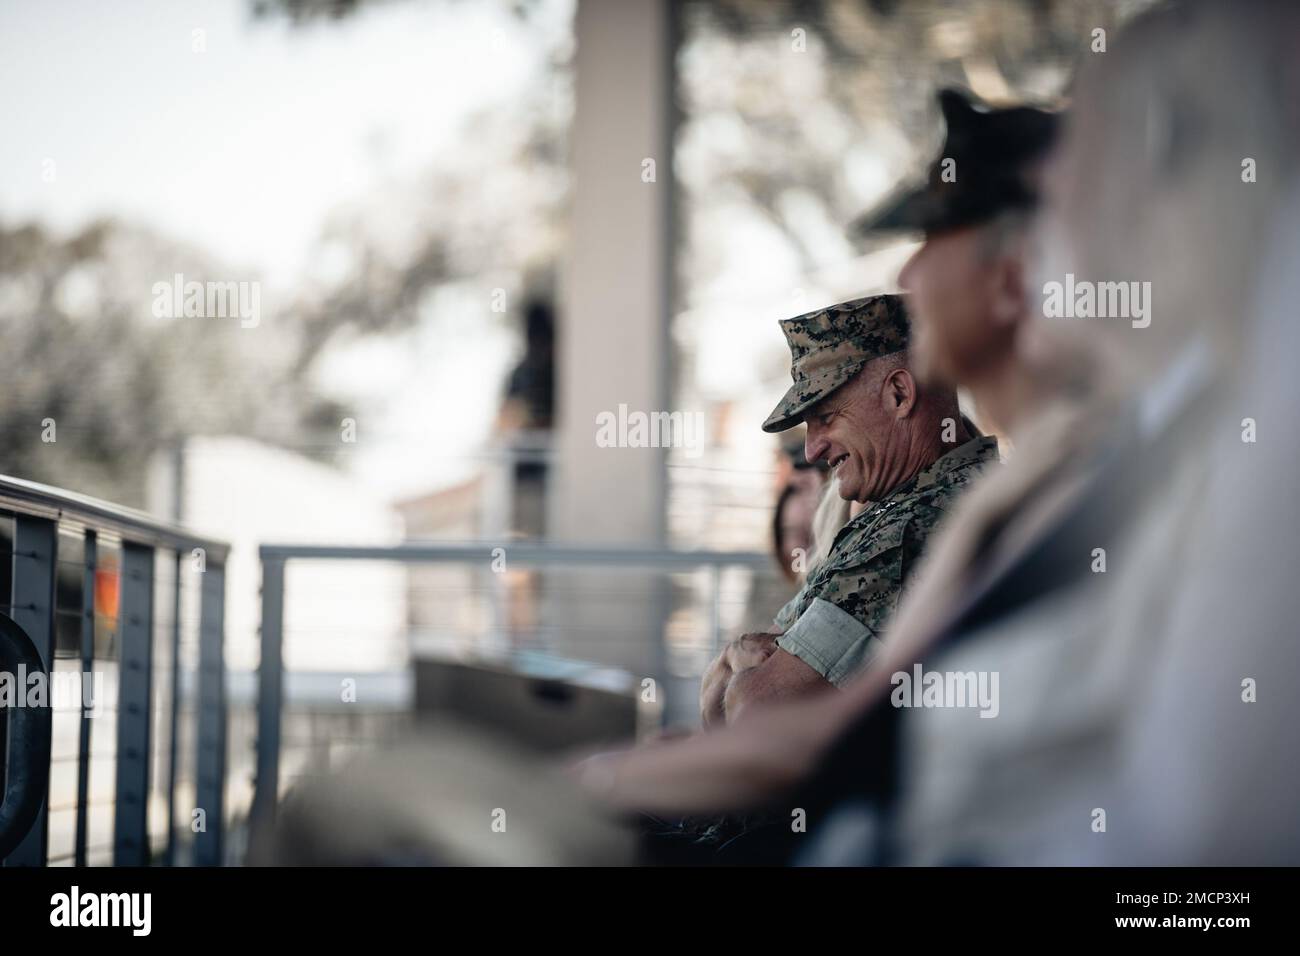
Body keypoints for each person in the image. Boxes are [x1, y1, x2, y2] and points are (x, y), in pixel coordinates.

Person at [699, 293, 998, 728]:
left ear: (899, 394)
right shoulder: (929, 499)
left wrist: (734, 667)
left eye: (826, 417)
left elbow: (758, 711)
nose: (813, 448)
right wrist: (736, 662)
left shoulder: (913, 527)